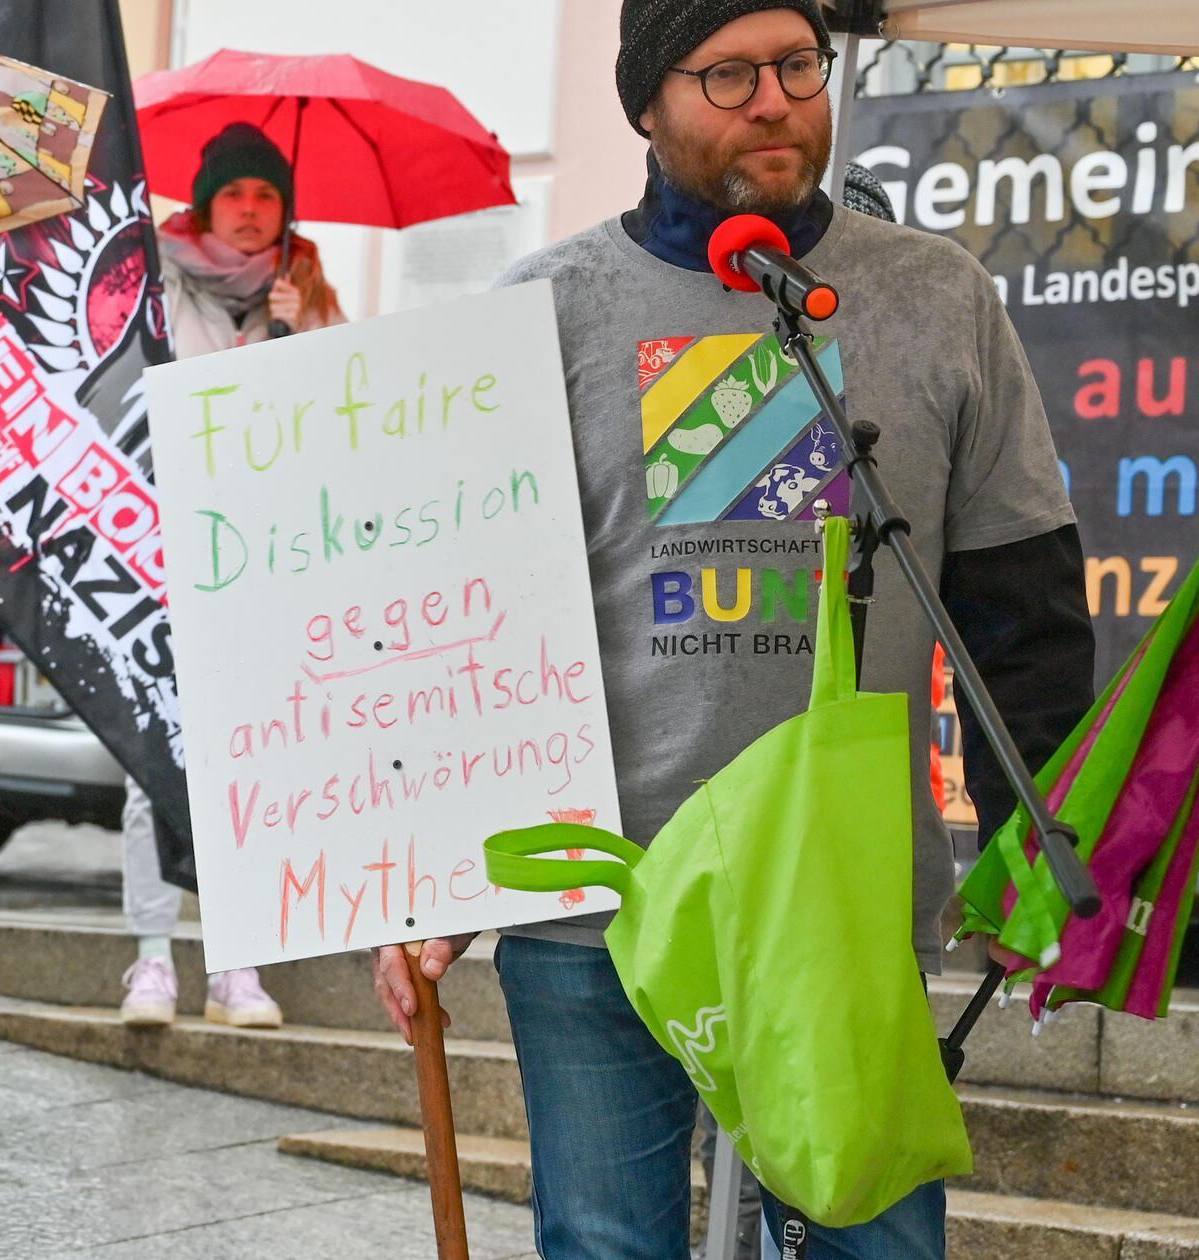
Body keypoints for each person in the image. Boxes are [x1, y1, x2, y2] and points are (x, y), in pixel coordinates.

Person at [371, 3, 1096, 1257]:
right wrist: (426, 875)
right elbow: (457, 623)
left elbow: (1015, 605)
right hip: (596, 911)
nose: (771, 99)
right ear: (645, 105)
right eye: (724, 75)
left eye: (796, 65)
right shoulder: (534, 310)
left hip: (842, 908)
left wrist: (1029, 848)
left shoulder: (939, 298)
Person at [117, 122, 348, 1029]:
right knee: (153, 766)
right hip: (165, 555)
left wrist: (293, 339)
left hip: (272, 563)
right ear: (205, 204)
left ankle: (238, 966)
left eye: (267, 195)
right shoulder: (156, 284)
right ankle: (150, 962)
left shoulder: (312, 296)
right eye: (235, 195)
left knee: (252, 768)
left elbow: (337, 423)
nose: (252, 211)